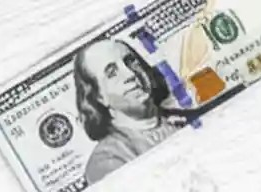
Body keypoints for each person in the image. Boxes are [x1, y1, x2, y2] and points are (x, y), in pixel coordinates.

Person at [73, 39, 186, 184]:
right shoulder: (106, 161)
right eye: (112, 73)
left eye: (131, 62)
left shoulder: (185, 117)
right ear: (99, 97)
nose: (130, 74)